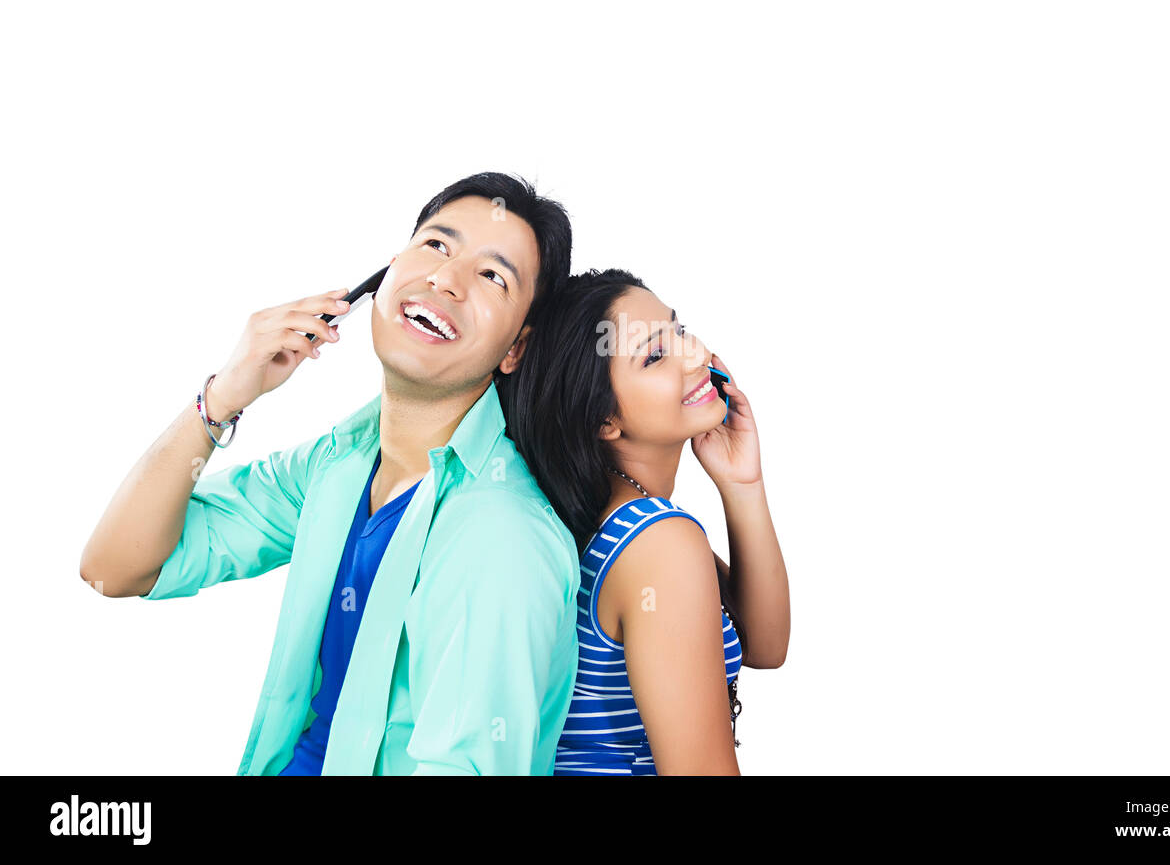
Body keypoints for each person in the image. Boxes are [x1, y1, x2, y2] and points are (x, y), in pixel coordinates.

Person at [79, 172, 581, 775]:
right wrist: (222, 399)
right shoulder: (337, 464)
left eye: (492, 276)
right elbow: (116, 568)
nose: (445, 279)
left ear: (516, 349)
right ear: (387, 272)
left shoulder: (502, 535)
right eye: (436, 246)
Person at [498, 268, 790, 775]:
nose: (696, 354)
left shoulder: (608, 519)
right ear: (602, 420)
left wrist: (742, 486)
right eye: (655, 356)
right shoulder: (657, 542)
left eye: (678, 330)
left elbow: (764, 644)